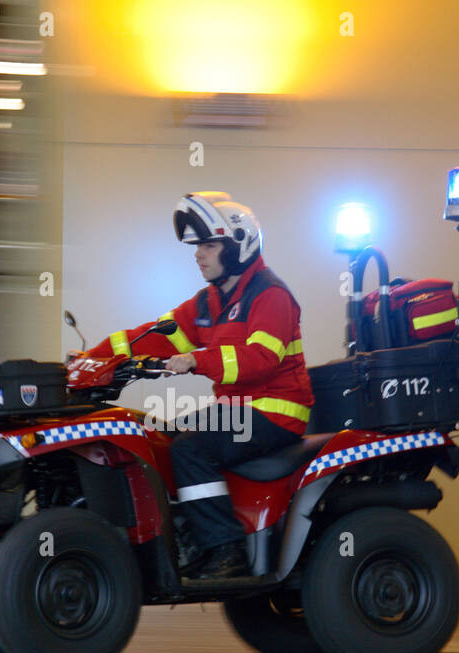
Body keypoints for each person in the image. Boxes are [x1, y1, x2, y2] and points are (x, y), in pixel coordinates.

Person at [68, 191, 314, 579]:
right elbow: (154, 335)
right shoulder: (209, 302)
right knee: (158, 434)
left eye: (209, 245)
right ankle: (183, 537)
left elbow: (260, 359)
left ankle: (225, 550)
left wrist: (199, 359)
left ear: (237, 246)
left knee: (190, 451)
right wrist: (91, 361)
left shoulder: (271, 295)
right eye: (197, 246)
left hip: (274, 412)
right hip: (236, 412)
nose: (198, 254)